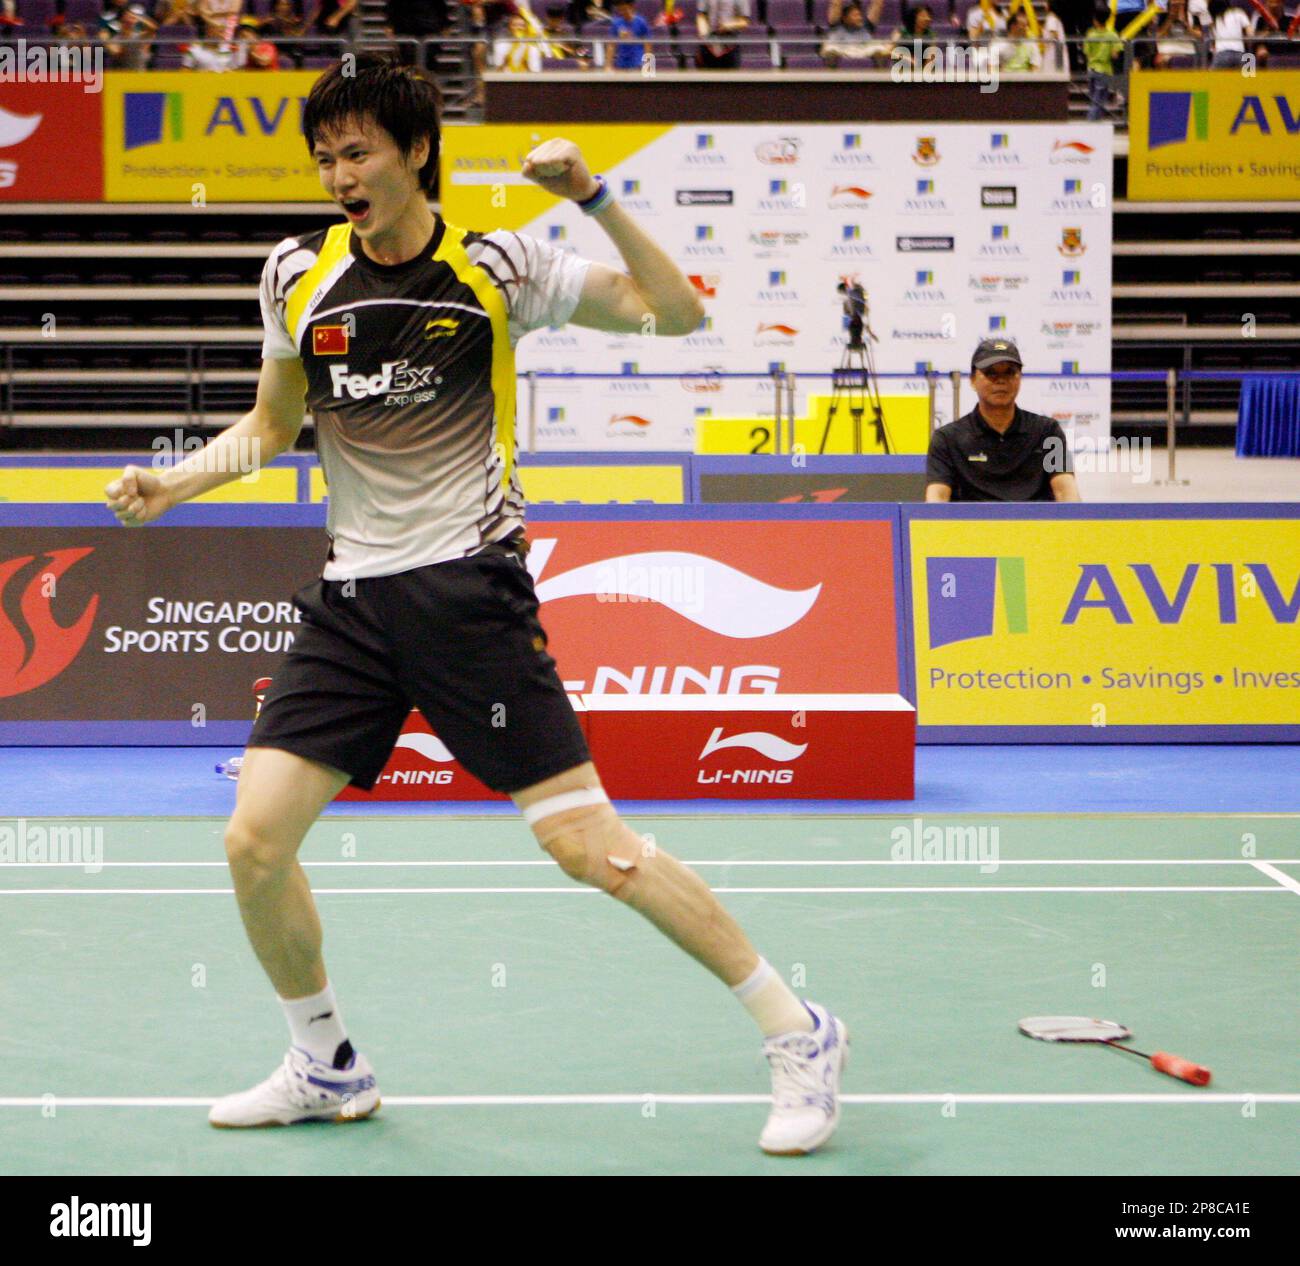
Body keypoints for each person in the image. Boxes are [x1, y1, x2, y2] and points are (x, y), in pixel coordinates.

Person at [104, 54, 848, 1158]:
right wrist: (176, 480)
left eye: (358, 152)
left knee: (592, 850)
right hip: (354, 600)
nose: (339, 175)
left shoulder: (500, 266)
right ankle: (326, 1060)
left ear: (415, 153)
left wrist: (593, 200)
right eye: (324, 158)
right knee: (254, 843)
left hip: (468, 594)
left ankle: (799, 1031)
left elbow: (676, 316)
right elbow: (269, 428)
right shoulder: (295, 277)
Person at [925, 340, 1082, 502]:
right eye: (991, 373)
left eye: (1009, 372)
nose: (1001, 380)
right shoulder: (947, 438)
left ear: (1020, 378)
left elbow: (1065, 492)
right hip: (972, 526)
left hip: (1035, 525)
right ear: (972, 380)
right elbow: (937, 498)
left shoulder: (1048, 431)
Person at [1083, 3, 1123, 119]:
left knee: (1094, 100)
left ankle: (1095, 123)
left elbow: (1087, 53)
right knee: (1099, 101)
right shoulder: (1112, 35)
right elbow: (1115, 55)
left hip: (1092, 69)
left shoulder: (1090, 34)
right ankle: (1091, 124)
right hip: (1105, 70)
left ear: (1095, 19)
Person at [695, 0, 749, 68]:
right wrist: (704, 36)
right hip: (709, 44)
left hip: (730, 44)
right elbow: (701, 16)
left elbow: (744, 21)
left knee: (730, 77)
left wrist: (728, 25)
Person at [1154, 0, 1202, 64]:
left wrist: (1185, 23)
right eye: (1174, 5)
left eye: (1181, 5)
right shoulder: (1163, 15)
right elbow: (1158, 35)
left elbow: (1200, 35)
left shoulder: (1192, 15)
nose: (1178, 7)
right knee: (1160, 61)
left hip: (1188, 50)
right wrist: (1170, 19)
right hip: (1167, 50)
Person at [608, 0, 649, 68]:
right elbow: (611, 46)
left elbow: (647, 45)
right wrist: (608, 66)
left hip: (638, 63)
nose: (622, 12)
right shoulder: (616, 23)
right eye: (620, 10)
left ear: (631, 7)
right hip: (622, 64)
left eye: (625, 9)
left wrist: (648, 66)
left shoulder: (641, 22)